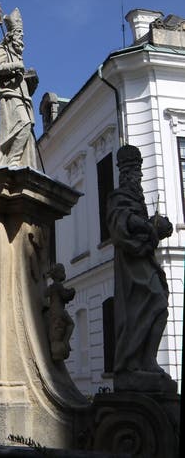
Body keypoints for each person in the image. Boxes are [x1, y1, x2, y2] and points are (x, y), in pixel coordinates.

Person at [106, 145, 176, 392]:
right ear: (126, 174)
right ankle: (131, 363)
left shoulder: (138, 199)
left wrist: (159, 226)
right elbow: (119, 224)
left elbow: (142, 227)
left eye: (139, 172)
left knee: (160, 305)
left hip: (144, 258)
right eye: (135, 173)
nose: (139, 177)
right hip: (131, 265)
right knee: (149, 303)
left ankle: (148, 360)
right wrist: (145, 226)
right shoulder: (117, 196)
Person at [0, 8, 38, 168]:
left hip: (23, 97)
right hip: (11, 96)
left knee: (27, 127)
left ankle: (18, 160)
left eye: (22, 37)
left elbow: (20, 80)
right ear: (11, 36)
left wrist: (31, 81)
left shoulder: (17, 55)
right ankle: (12, 160)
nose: (21, 40)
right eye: (19, 36)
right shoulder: (3, 51)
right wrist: (14, 66)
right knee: (24, 123)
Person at [44, 264, 75, 361]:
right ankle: (66, 341)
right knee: (71, 324)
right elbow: (65, 296)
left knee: (56, 328)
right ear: (58, 274)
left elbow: (45, 293)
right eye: (63, 272)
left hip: (52, 311)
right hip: (60, 311)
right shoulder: (58, 285)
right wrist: (72, 292)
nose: (64, 274)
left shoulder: (52, 286)